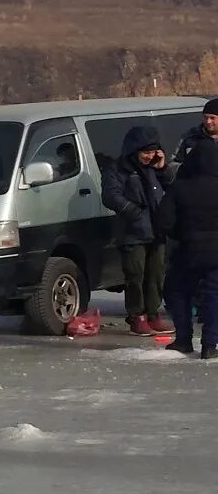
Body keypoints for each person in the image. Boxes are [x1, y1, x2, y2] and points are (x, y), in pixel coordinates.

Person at [103, 125, 174, 336]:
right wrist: (132, 211)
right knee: (136, 274)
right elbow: (110, 195)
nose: (149, 156)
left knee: (156, 274)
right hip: (133, 231)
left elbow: (171, 187)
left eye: (153, 152)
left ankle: (153, 314)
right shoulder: (118, 169)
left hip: (157, 229)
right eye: (145, 153)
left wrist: (163, 168)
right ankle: (137, 316)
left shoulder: (155, 167)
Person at [156, 139, 218, 357]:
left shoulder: (179, 187)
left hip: (188, 249)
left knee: (178, 291)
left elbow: (164, 221)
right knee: (214, 296)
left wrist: (179, 234)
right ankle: (210, 345)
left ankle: (183, 340)